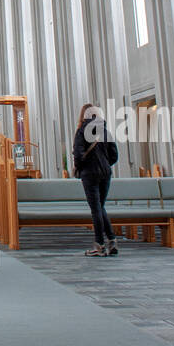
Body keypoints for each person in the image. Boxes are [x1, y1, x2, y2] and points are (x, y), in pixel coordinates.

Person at [73, 103, 119, 256]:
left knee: (96, 209)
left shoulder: (82, 131)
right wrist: (104, 165)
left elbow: (78, 155)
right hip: (106, 174)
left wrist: (83, 167)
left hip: (90, 174)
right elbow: (114, 156)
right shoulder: (106, 132)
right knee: (100, 206)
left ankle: (99, 245)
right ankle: (112, 241)